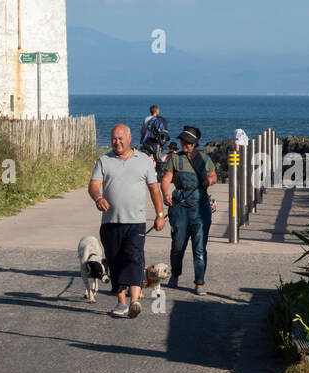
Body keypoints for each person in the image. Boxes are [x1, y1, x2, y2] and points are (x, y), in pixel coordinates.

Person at [87, 124, 165, 319]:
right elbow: (94, 186)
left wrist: (160, 214)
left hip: (136, 221)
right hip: (110, 222)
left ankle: (134, 301)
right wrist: (98, 198)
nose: (117, 142)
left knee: (134, 257)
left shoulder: (144, 160)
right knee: (115, 262)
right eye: (114, 138)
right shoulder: (104, 160)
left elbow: (154, 189)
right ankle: (121, 302)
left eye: (121, 138)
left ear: (129, 138)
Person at [161, 126, 218, 294]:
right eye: (183, 140)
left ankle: (199, 282)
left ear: (195, 143)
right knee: (178, 245)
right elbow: (166, 179)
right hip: (180, 206)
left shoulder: (204, 158)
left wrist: (208, 182)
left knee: (199, 248)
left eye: (188, 141)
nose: (184, 144)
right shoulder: (174, 159)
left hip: (200, 206)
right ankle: (175, 275)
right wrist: (165, 194)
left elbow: (214, 176)